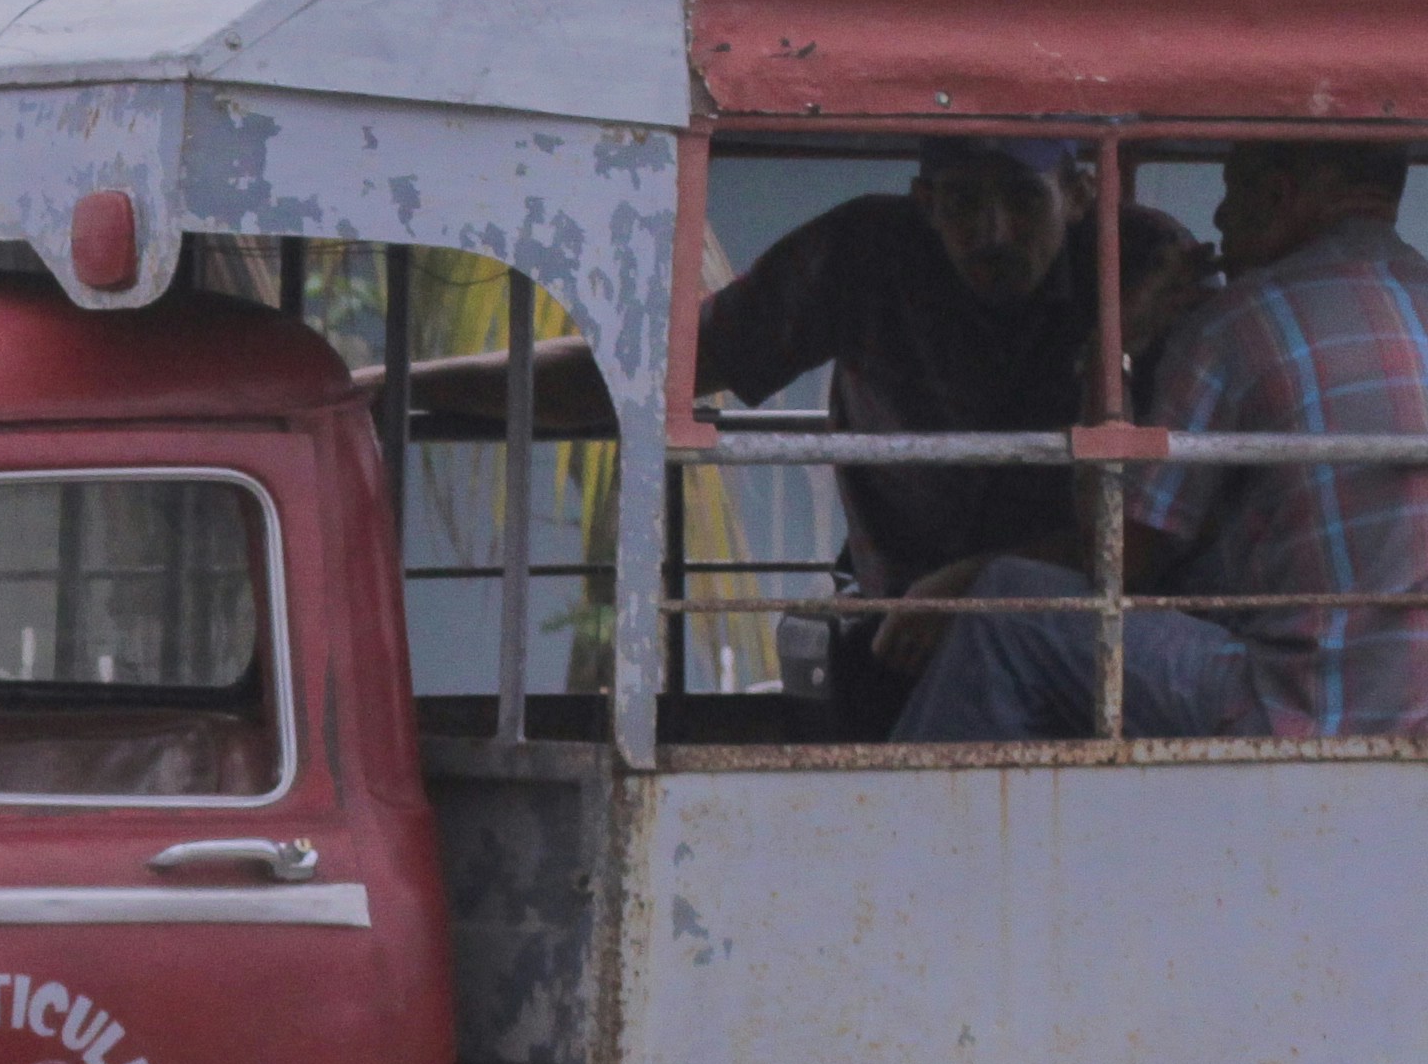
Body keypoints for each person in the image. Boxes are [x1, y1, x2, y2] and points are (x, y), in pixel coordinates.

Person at [516, 140, 1211, 730]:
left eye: (1024, 201)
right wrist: (417, 388)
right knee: (823, 665)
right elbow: (660, 367)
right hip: (891, 617)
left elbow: (1158, 524)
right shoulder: (867, 252)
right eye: (965, 202)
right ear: (926, 201)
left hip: (1083, 622)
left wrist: (975, 587)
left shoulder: (1140, 266)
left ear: (1081, 195)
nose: (995, 232)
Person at [897, 141, 1428, 743]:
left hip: (1322, 717)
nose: (1217, 221)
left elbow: (1119, 559)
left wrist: (1115, 351)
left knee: (1008, 609)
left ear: (1276, 195)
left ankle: (913, 856)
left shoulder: (1236, 319)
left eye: (1231, 191)